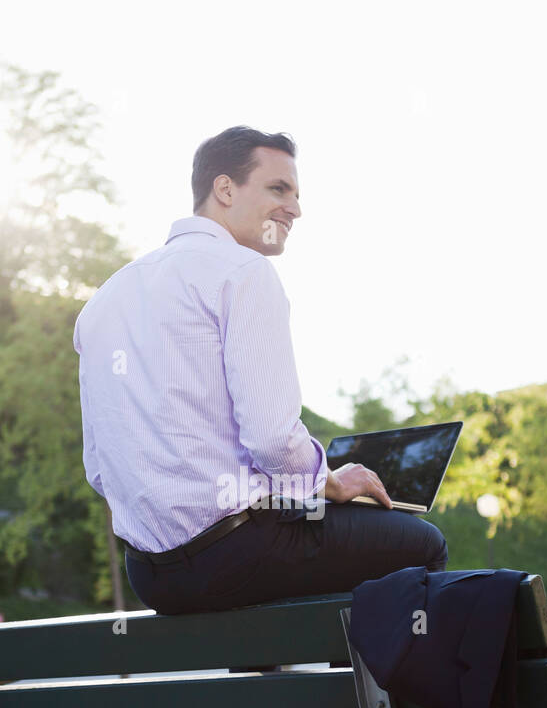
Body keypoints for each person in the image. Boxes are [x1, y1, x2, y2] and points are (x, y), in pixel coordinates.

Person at [74, 125, 447, 615]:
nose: (294, 208)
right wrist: (328, 483)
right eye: (279, 189)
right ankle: (367, 694)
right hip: (234, 554)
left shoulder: (104, 301)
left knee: (295, 537)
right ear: (224, 189)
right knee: (421, 542)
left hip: (149, 573)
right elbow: (272, 441)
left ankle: (281, 685)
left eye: (295, 193)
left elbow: (99, 467)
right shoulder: (242, 273)